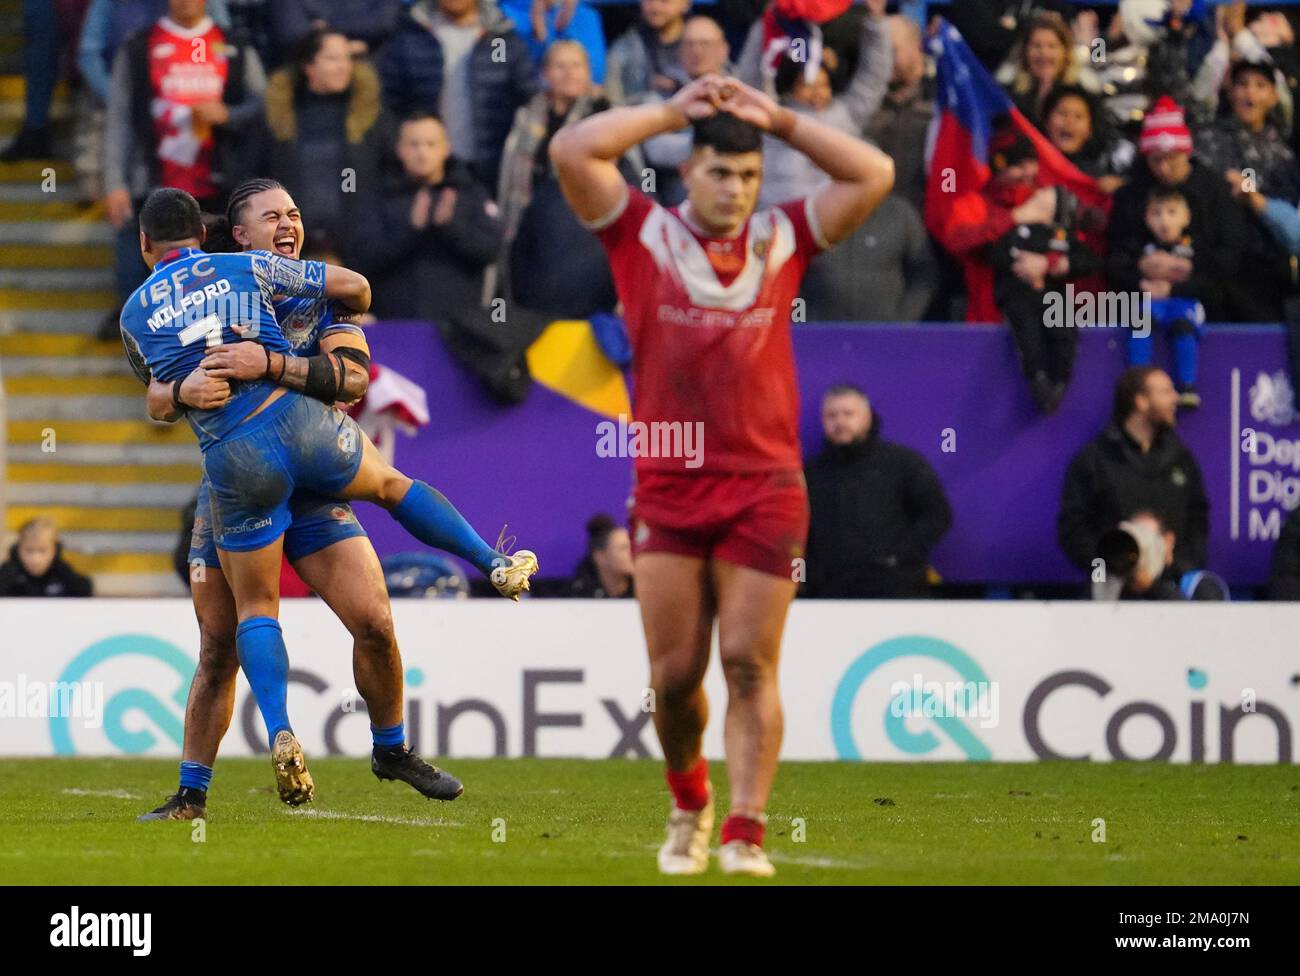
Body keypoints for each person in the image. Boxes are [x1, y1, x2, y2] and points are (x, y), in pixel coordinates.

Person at [550, 73, 894, 876]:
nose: (736, 188)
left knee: (746, 659)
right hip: (668, 485)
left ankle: (745, 831)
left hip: (766, 483)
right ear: (686, 172)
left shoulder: (785, 237)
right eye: (719, 171)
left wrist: (776, 118)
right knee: (673, 677)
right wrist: (678, 110)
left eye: (748, 175)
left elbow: (873, 172)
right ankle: (689, 802)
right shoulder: (642, 234)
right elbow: (573, 147)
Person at [119, 186, 538, 807]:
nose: (289, 225)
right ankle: (192, 792)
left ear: (146, 245)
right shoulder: (256, 273)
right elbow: (158, 397)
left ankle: (388, 750)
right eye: (273, 218)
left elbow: (353, 377)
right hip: (275, 458)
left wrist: (267, 362)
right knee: (216, 643)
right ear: (230, 236)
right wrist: (184, 392)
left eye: (294, 213)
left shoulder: (309, 304)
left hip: (276, 469)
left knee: (371, 621)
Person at [101, 0, 266, 337]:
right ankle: (145, 351)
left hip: (220, 187)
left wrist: (229, 115)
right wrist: (115, 181)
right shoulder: (138, 46)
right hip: (154, 183)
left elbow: (265, 103)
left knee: (220, 294)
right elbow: (119, 118)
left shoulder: (234, 43)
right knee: (150, 290)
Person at [496, 40, 618, 318]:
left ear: (589, 72)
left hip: (579, 235)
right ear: (544, 74)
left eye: (577, 65)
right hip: (526, 227)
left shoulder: (606, 115)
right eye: (560, 66)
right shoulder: (527, 115)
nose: (569, 73)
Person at [1058, 366, 1209, 584]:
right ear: (1141, 401)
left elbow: (1198, 521)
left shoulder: (1181, 459)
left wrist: (1175, 564)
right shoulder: (1095, 459)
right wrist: (1115, 561)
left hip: (1169, 589)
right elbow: (1074, 529)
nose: (1175, 398)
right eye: (1166, 392)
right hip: (1111, 593)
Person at [1107, 97, 1248, 324]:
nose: (1164, 168)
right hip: (1141, 303)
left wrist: (1189, 271)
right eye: (1156, 160)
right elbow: (1115, 256)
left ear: (1186, 153)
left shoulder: (1215, 191)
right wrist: (1141, 275)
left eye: (1171, 159)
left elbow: (1233, 254)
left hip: (1210, 305)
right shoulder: (1131, 195)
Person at [255, 29, 390, 265]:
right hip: (286, 250)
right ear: (309, 66)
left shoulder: (371, 116)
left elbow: (389, 175)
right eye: (333, 59)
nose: (344, 67)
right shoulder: (277, 117)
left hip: (362, 251)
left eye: (348, 59)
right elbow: (251, 176)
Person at [803, 385, 951, 598]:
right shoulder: (812, 473)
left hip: (897, 592)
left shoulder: (902, 463)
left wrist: (898, 557)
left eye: (848, 413)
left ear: (867, 416)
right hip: (831, 596)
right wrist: (812, 574)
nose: (840, 422)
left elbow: (937, 515)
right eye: (831, 415)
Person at [379, 0, 536, 192]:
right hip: (425, 170)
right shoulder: (413, 35)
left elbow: (525, 95)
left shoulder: (498, 38)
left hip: (488, 165)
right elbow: (389, 102)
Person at [755, 1, 892, 208]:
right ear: (790, 89)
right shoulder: (770, 117)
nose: (817, 92)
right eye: (807, 85)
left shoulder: (845, 115)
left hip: (831, 223)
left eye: (824, 85)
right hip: (777, 224)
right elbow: (755, 78)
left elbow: (873, 77)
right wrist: (767, 23)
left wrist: (876, 24)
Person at [1122, 186, 1212, 408]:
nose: (1164, 220)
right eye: (1156, 213)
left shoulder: (1197, 248)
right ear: (1146, 218)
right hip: (1152, 302)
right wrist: (1141, 282)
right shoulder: (1139, 247)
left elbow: (1211, 281)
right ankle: (1138, 383)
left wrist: (1174, 289)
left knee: (1183, 326)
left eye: (1172, 212)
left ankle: (1187, 386)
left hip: (1183, 303)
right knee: (1140, 321)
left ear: (1186, 217)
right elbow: (1116, 270)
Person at [864, 14, 933, 213]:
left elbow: (952, 171)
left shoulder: (940, 99)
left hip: (923, 221)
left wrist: (948, 189)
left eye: (892, 51)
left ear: (917, 48)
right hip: (872, 218)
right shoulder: (864, 101)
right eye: (879, 51)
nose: (884, 59)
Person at [605, 0, 692, 106]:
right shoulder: (625, 47)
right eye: (649, 1)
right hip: (637, 117)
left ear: (686, 3)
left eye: (664, 1)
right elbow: (614, 95)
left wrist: (678, 85)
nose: (655, 7)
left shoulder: (703, 42)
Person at [0, 518, 93, 598]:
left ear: (54, 550)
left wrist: (60, 568)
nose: (35, 558)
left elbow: (85, 592)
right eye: (29, 550)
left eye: (42, 550)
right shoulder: (8, 572)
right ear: (18, 549)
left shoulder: (62, 572)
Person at [568, 514, 634, 598]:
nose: (632, 553)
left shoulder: (644, 589)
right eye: (623, 548)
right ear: (600, 556)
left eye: (633, 547)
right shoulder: (579, 595)